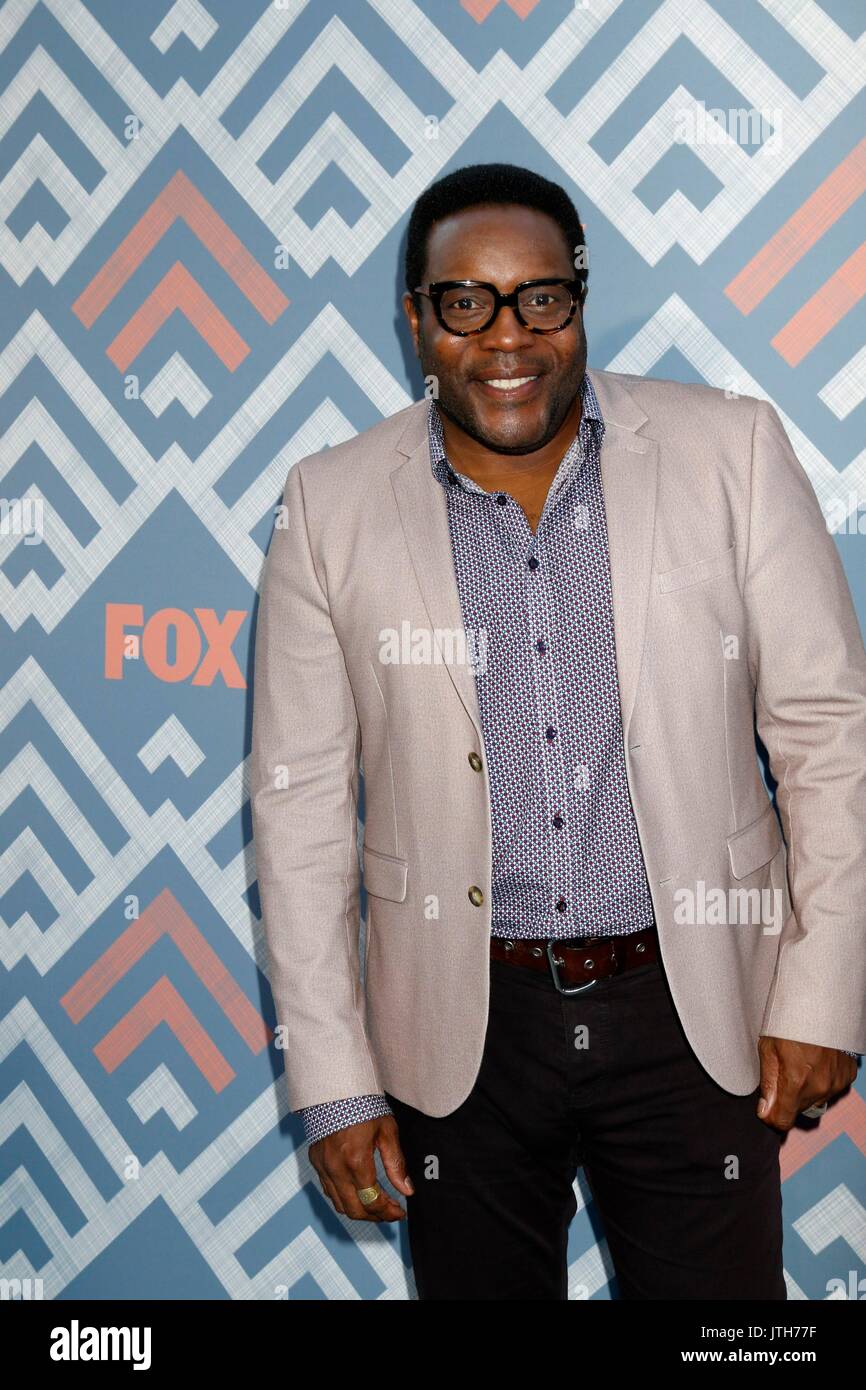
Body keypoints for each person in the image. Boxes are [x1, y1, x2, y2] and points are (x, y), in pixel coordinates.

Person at [250, 163, 865, 1300]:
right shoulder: (328, 506)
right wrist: (333, 1081)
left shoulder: (726, 454)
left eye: (539, 296)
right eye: (464, 301)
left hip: (693, 1012)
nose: (505, 335)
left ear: (578, 301)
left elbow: (831, 737)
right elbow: (298, 815)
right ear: (418, 319)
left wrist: (822, 994)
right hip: (455, 1030)